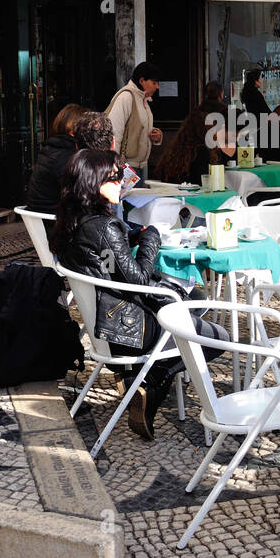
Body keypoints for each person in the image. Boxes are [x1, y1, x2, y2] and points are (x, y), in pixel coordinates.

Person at [53, 149, 226, 440]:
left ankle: (141, 377)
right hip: (133, 334)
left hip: (108, 330)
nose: (122, 182)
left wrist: (129, 235)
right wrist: (152, 237)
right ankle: (153, 378)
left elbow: (105, 258)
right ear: (94, 182)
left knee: (193, 298)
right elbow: (139, 276)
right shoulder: (104, 227)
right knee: (219, 337)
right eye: (115, 177)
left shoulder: (72, 223)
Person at [24, 103, 87, 215]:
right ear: (73, 130)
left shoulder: (53, 148)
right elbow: (77, 195)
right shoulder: (65, 154)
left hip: (43, 218)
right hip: (54, 221)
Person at [106, 61, 164, 175]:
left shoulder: (144, 99)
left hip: (139, 166)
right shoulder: (126, 97)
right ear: (142, 81)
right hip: (124, 167)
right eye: (154, 82)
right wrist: (114, 166)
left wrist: (155, 135)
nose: (157, 87)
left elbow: (137, 127)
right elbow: (114, 132)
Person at [157, 100, 233, 184]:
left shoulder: (174, 151)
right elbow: (205, 182)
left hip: (173, 194)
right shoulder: (202, 152)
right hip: (195, 194)